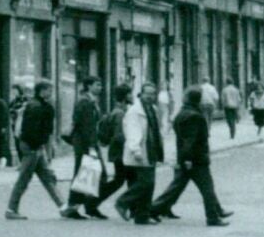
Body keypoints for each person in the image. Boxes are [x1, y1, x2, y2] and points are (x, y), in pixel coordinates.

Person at [150, 87, 233, 225]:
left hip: (186, 158)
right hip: (196, 159)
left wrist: (183, 158)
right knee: (207, 188)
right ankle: (212, 217)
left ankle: (152, 210)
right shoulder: (195, 116)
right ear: (198, 100)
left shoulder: (182, 113)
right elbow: (190, 140)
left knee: (175, 189)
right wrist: (188, 159)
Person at [7, 82, 65, 219]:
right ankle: (11, 209)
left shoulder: (36, 105)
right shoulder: (37, 107)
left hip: (35, 147)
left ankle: (63, 206)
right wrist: (39, 147)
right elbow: (34, 131)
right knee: (24, 179)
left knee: (47, 177)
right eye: (49, 89)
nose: (51, 92)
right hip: (32, 147)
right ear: (42, 91)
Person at [118, 81, 165, 223]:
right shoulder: (135, 111)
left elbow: (156, 130)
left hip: (152, 150)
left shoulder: (153, 109)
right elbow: (132, 132)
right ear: (141, 94)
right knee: (146, 182)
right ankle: (122, 202)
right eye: (147, 93)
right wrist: (136, 150)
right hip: (140, 150)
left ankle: (142, 216)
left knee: (150, 185)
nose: (150, 96)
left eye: (153, 94)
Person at [62, 77, 104, 219]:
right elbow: (88, 127)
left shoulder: (89, 101)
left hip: (86, 143)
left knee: (86, 174)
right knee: (83, 174)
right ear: (89, 86)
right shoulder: (85, 102)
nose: (100, 87)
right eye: (97, 85)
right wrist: (92, 147)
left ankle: (85, 206)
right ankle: (75, 207)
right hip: (84, 143)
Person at [92, 83, 133, 216]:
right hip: (121, 153)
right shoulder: (120, 113)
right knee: (123, 181)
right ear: (125, 96)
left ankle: (93, 202)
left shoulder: (118, 111)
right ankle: (92, 202)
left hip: (119, 152)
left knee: (122, 180)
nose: (132, 96)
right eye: (130, 93)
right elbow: (119, 136)